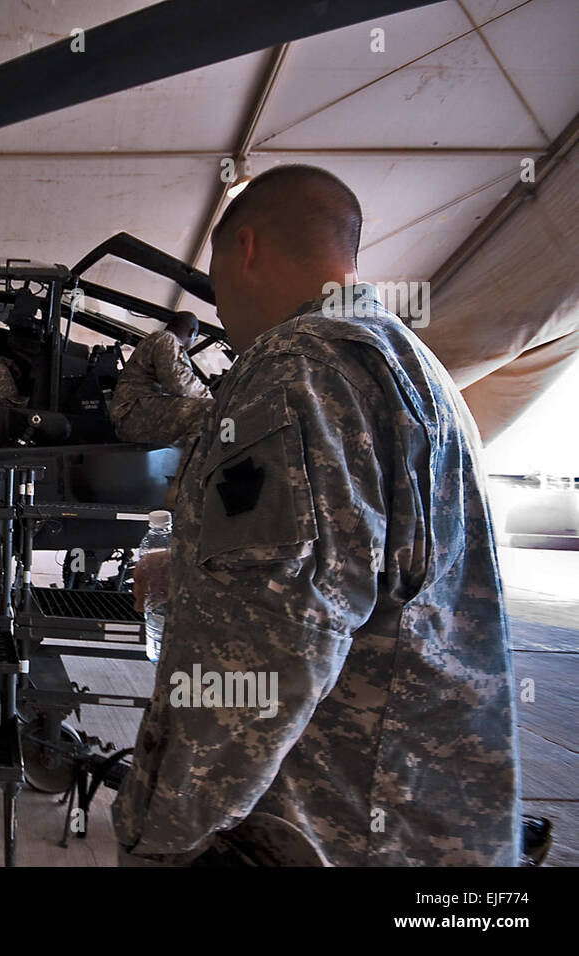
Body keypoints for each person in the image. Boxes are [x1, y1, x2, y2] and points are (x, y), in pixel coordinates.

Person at [112, 165, 519, 866]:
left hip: (322, 828)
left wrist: (164, 831)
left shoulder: (299, 364)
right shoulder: (404, 360)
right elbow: (355, 566)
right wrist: (188, 563)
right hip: (418, 820)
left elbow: (270, 639)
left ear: (245, 248)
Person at [108, 312, 213, 446]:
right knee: (209, 410)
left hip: (129, 415)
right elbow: (180, 383)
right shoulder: (167, 339)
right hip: (131, 414)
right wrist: (209, 397)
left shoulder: (156, 338)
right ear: (192, 333)